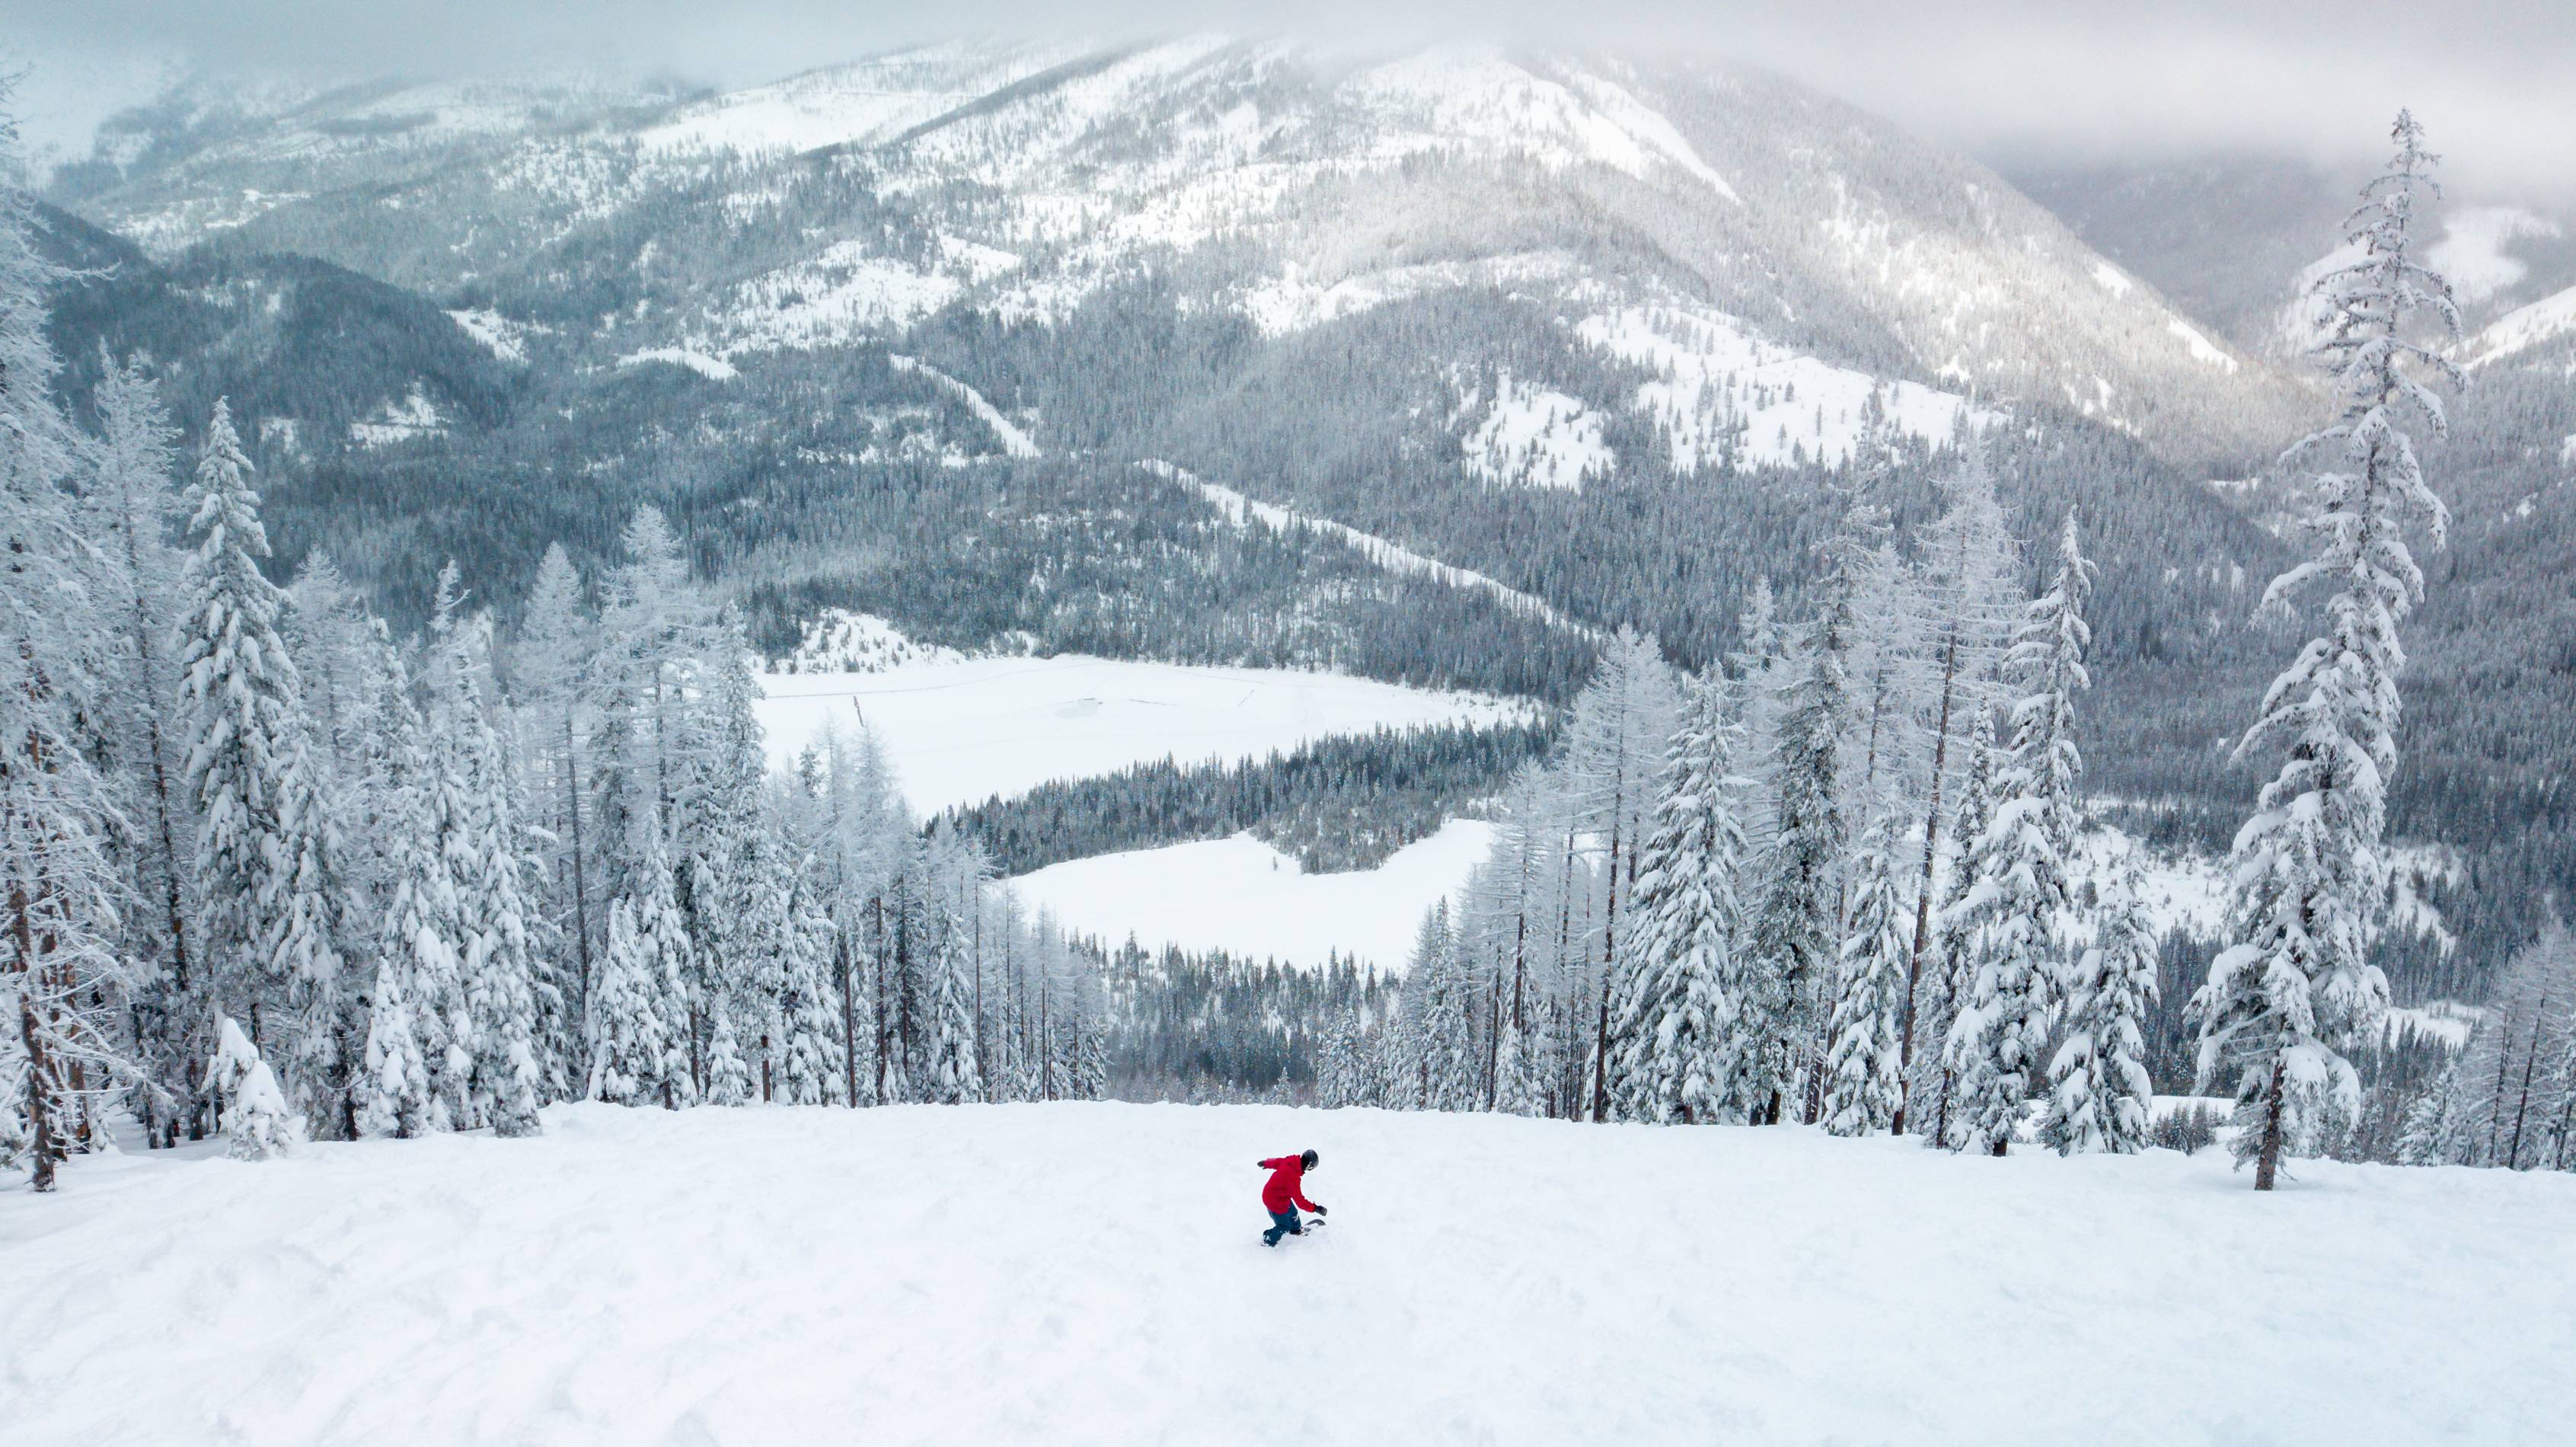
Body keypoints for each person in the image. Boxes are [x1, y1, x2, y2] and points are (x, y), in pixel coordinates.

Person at [1257, 1148, 1326, 1246]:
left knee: (1293, 1213)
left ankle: (1295, 1230)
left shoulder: (1292, 1161)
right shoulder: (1293, 1178)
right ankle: (1268, 1239)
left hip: (1278, 1194)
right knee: (1284, 1226)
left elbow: (1278, 1162)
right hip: (1273, 1200)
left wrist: (1266, 1163)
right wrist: (1315, 1208)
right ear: (1309, 1166)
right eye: (1311, 1168)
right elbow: (1300, 1202)